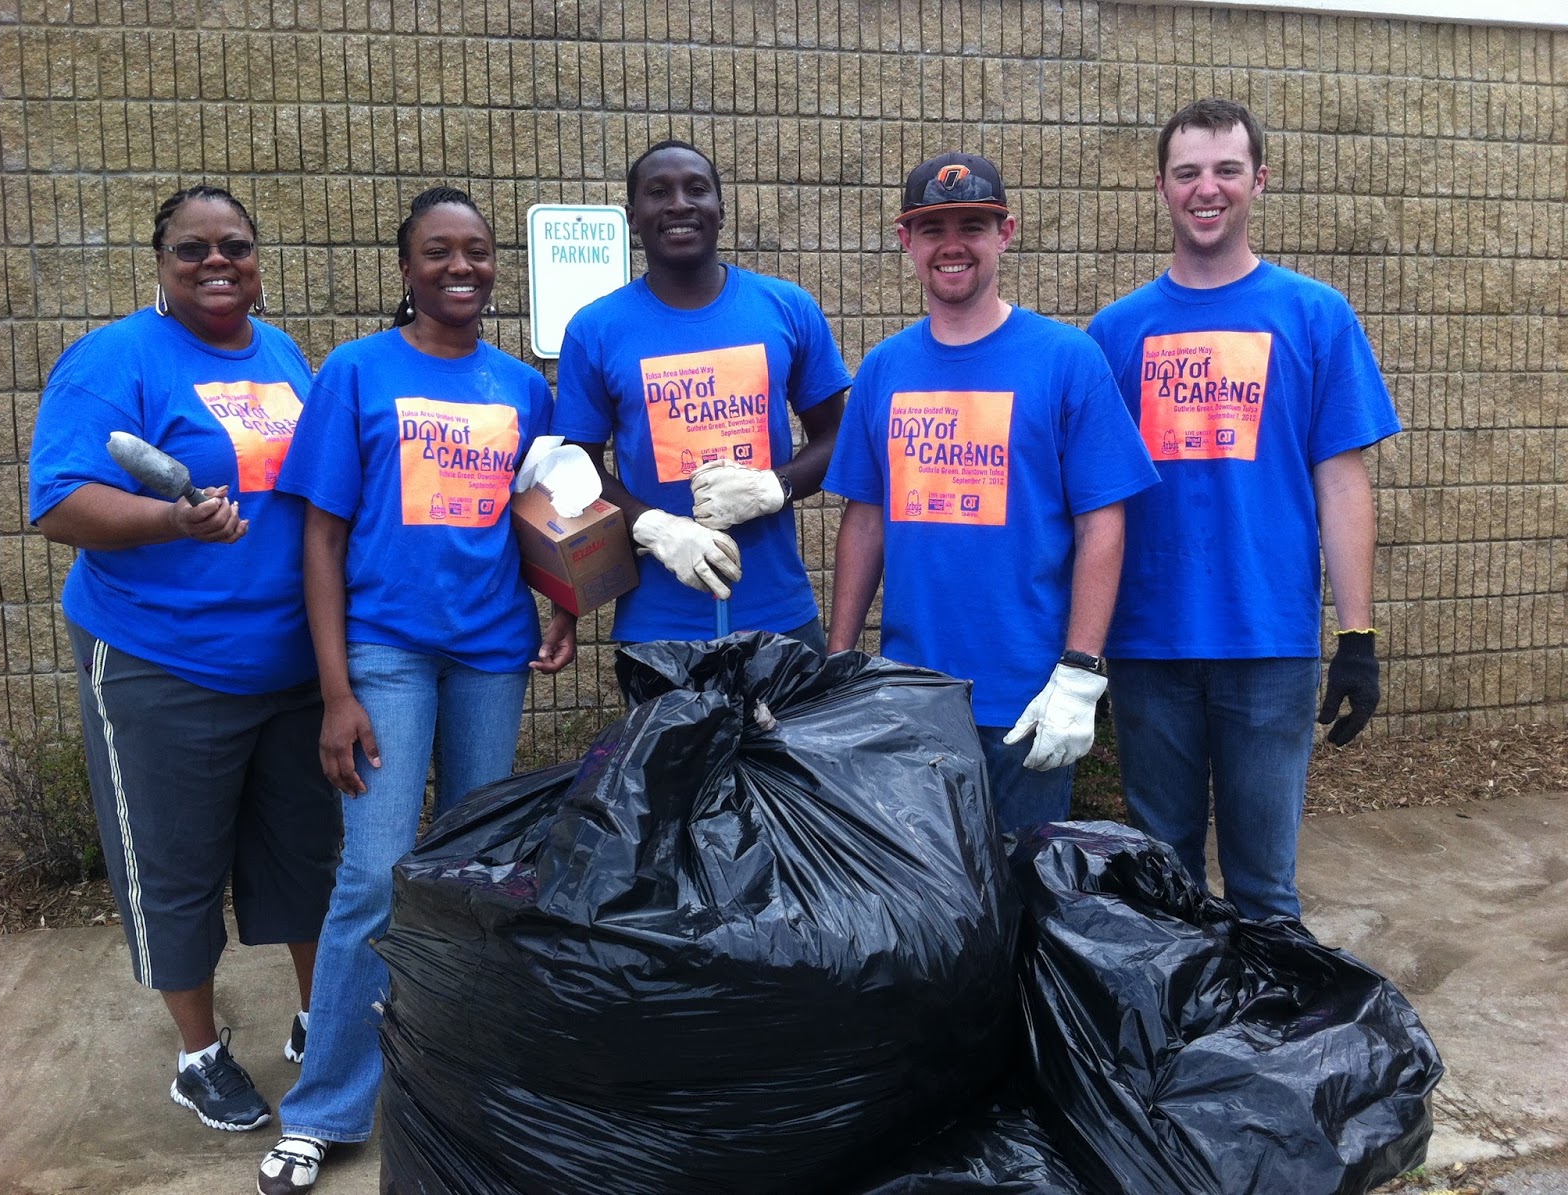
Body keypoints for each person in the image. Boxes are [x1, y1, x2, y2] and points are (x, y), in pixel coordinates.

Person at [254, 186, 575, 1195]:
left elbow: (543, 513)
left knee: (474, 877)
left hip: (490, 653)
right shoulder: (355, 372)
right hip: (385, 653)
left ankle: (460, 1087)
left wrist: (564, 600)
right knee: (376, 874)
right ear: (405, 269)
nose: (461, 268)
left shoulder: (524, 387)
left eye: (477, 252)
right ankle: (327, 1105)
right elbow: (321, 533)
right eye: (438, 252)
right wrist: (336, 691)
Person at [27, 185, 339, 1134]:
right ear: (160, 260)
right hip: (164, 662)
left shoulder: (282, 354)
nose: (217, 264)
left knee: (306, 860)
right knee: (174, 860)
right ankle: (198, 1054)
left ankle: (316, 1020)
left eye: (235, 248)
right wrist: (171, 517)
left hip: (287, 664)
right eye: (192, 249)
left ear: (257, 259)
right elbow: (58, 500)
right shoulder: (115, 360)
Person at [1086, 98, 1403, 921]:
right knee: (1166, 883)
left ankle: (1270, 1048)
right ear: (1161, 186)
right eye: (1188, 172)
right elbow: (1090, 502)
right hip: (1148, 645)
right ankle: (1182, 1046)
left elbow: (1341, 481)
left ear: (1259, 180)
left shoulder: (1314, 315)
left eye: (1227, 169)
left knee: (1265, 888)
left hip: (1269, 643)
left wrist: (1357, 637)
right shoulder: (1115, 333)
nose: (1207, 189)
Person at [825, 152, 1158, 834]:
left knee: (1021, 895)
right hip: (912, 695)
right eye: (932, 227)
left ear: (1005, 233)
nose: (953, 244)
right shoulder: (886, 367)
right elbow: (865, 520)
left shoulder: (1066, 360)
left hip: (1028, 696)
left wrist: (1079, 671)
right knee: (928, 905)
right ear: (905, 240)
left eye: (972, 225)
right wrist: (837, 663)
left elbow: (1104, 524)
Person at [553, 139, 851, 655]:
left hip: (779, 616)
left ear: (720, 209)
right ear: (633, 218)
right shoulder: (596, 329)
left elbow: (838, 437)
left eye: (697, 189)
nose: (679, 205)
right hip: (657, 626)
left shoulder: (785, 308)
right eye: (657, 192)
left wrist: (773, 487)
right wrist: (653, 527)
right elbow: (574, 466)